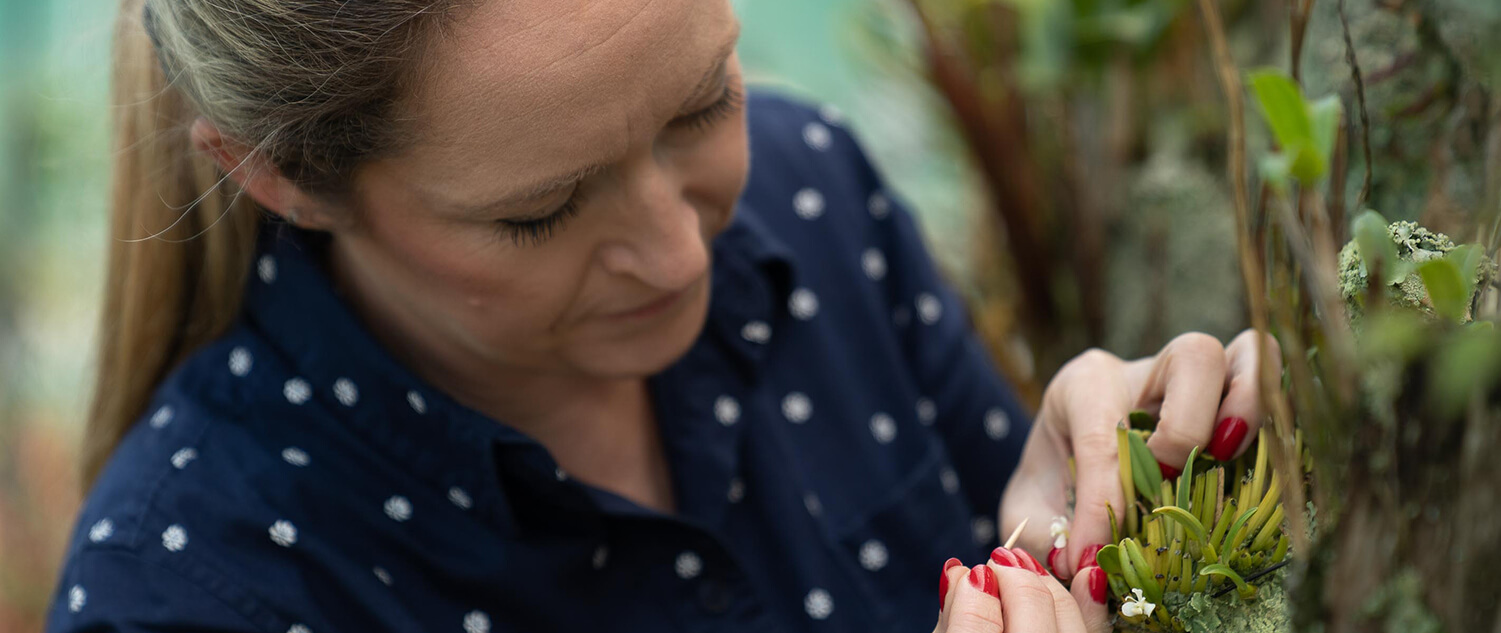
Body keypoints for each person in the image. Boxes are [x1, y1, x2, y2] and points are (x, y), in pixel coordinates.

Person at [49, 0, 1277, 631]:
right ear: (280, 175)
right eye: (540, 213)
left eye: (701, 105)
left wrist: (1104, 523)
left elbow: (1016, 550)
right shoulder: (202, 590)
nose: (683, 249)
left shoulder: (811, 197)